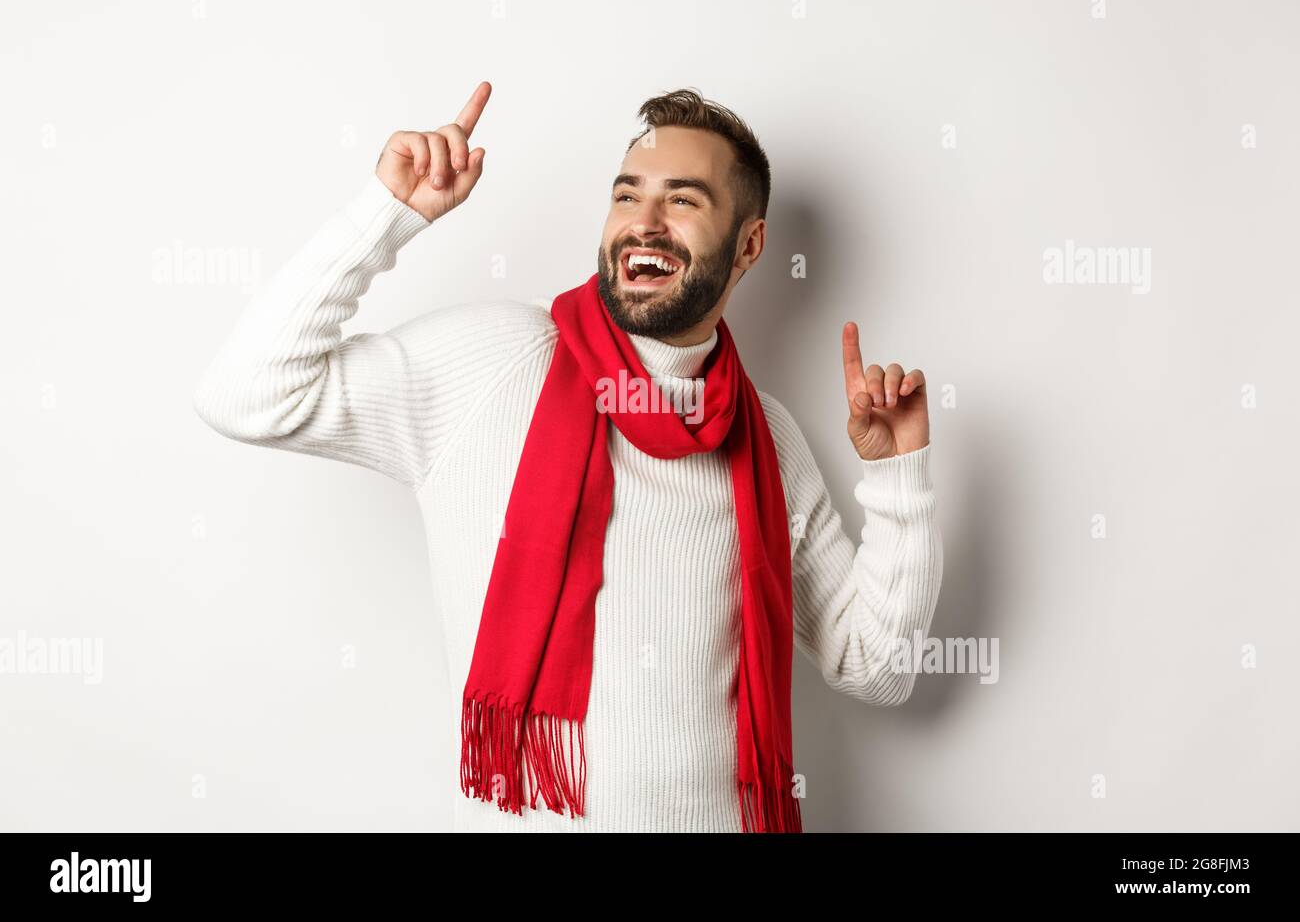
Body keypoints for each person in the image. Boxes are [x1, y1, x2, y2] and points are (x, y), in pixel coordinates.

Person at [192, 81, 944, 832]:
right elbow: (246, 393)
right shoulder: (496, 365)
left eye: (683, 201)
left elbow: (876, 666)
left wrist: (899, 476)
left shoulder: (766, 439)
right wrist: (385, 217)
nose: (643, 223)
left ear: (748, 245)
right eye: (627, 196)